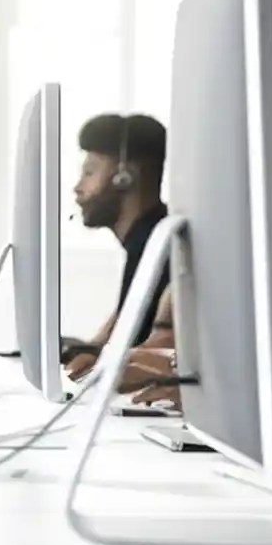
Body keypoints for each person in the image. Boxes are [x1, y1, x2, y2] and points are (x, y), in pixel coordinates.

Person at [63, 113, 170, 380]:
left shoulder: (157, 248)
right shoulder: (146, 241)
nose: (78, 187)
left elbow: (134, 351)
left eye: (89, 172)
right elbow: (115, 337)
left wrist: (91, 357)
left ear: (125, 176)